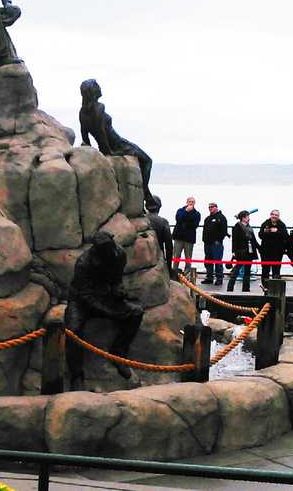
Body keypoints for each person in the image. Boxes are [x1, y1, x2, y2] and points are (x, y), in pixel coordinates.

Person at [65, 231, 143, 391]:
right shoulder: (84, 263)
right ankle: (76, 376)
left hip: (105, 296)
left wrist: (118, 290)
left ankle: (118, 352)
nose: (111, 251)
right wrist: (110, 311)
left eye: (111, 247)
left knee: (136, 312)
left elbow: (116, 280)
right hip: (81, 301)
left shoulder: (119, 254)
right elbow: (85, 295)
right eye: (106, 249)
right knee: (73, 329)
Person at [77, 79, 155, 208]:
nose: (100, 88)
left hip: (111, 144)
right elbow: (101, 132)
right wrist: (110, 152)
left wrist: (91, 148)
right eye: (97, 86)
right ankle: (146, 193)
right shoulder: (99, 107)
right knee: (147, 161)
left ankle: (147, 195)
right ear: (92, 91)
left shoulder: (82, 112)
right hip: (117, 143)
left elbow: (84, 134)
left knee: (145, 160)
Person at [227, 210, 261, 292]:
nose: (249, 218)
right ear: (243, 218)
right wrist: (234, 251)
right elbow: (234, 240)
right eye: (247, 217)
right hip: (241, 252)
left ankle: (246, 289)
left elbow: (253, 240)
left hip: (250, 252)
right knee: (236, 270)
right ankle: (230, 288)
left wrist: (260, 248)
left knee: (247, 271)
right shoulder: (237, 227)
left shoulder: (249, 227)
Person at [146, 195, 175, 279]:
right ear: (159, 207)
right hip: (158, 258)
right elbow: (169, 247)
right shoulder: (163, 222)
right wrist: (169, 268)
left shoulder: (140, 220)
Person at [172, 196, 200, 280]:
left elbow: (195, 224)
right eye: (189, 201)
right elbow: (178, 219)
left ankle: (187, 274)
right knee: (176, 255)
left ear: (194, 203)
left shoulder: (197, 213)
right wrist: (186, 212)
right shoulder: (180, 210)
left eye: (192, 202)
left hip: (189, 239)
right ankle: (174, 272)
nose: (191, 203)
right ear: (187, 202)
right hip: (179, 237)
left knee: (188, 257)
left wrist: (185, 222)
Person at [201, 202, 229, 285]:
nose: (210, 208)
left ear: (216, 207)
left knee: (217, 261)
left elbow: (224, 231)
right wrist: (204, 240)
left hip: (216, 244)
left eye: (212, 207)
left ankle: (219, 278)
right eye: (209, 207)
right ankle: (209, 277)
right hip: (207, 243)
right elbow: (204, 230)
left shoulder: (221, 218)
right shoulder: (207, 218)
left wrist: (218, 240)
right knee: (207, 261)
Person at [257, 209, 288, 283]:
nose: (274, 216)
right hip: (265, 251)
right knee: (265, 270)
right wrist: (268, 231)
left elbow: (286, 236)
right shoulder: (265, 223)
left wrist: (277, 231)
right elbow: (260, 235)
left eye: (276, 215)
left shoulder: (282, 225)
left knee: (276, 270)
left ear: (278, 216)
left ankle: (275, 287)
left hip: (277, 252)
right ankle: (265, 286)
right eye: (273, 214)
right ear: (270, 215)